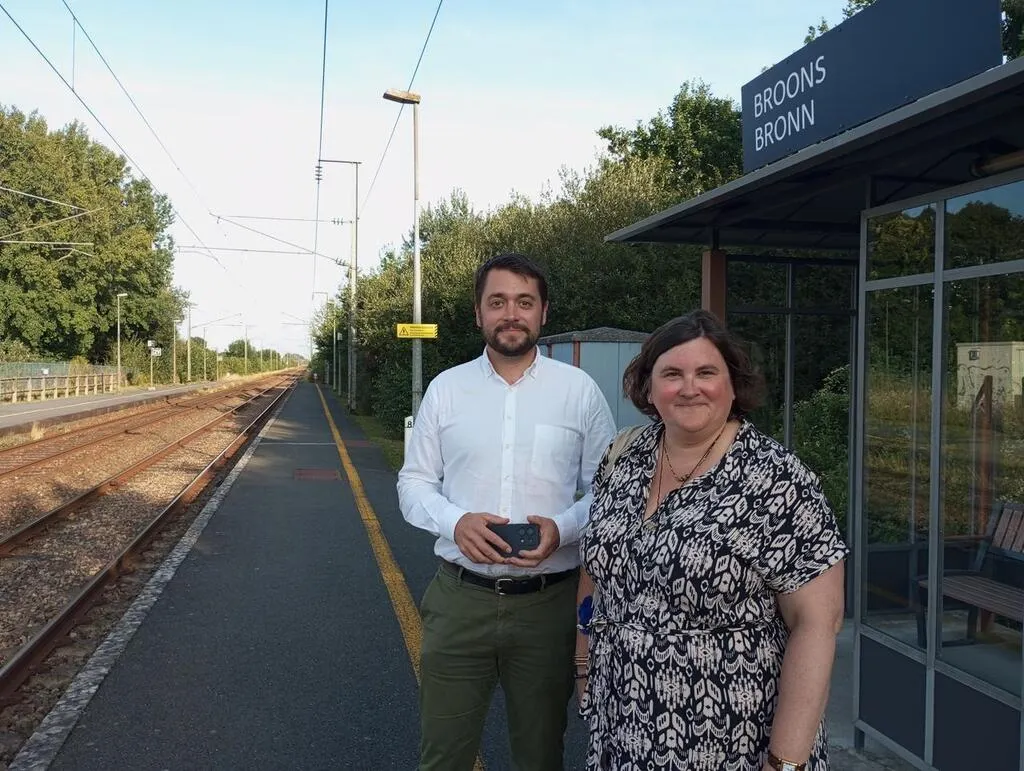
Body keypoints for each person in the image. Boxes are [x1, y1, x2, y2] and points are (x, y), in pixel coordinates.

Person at [576, 310, 848, 771]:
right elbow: (596, 565)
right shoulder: (624, 455)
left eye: (706, 372)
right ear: (647, 387)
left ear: (733, 384)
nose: (689, 387)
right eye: (671, 374)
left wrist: (786, 763)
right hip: (620, 719)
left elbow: (818, 625)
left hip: (727, 732)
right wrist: (583, 659)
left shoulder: (777, 481)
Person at [398, 252, 617, 771]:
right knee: (442, 755)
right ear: (478, 313)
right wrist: (455, 521)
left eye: (524, 302)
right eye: (498, 302)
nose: (511, 314)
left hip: (549, 607)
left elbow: (611, 495)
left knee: (541, 755)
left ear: (543, 312)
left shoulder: (580, 392)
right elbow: (414, 483)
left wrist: (561, 528)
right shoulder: (446, 390)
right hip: (459, 599)